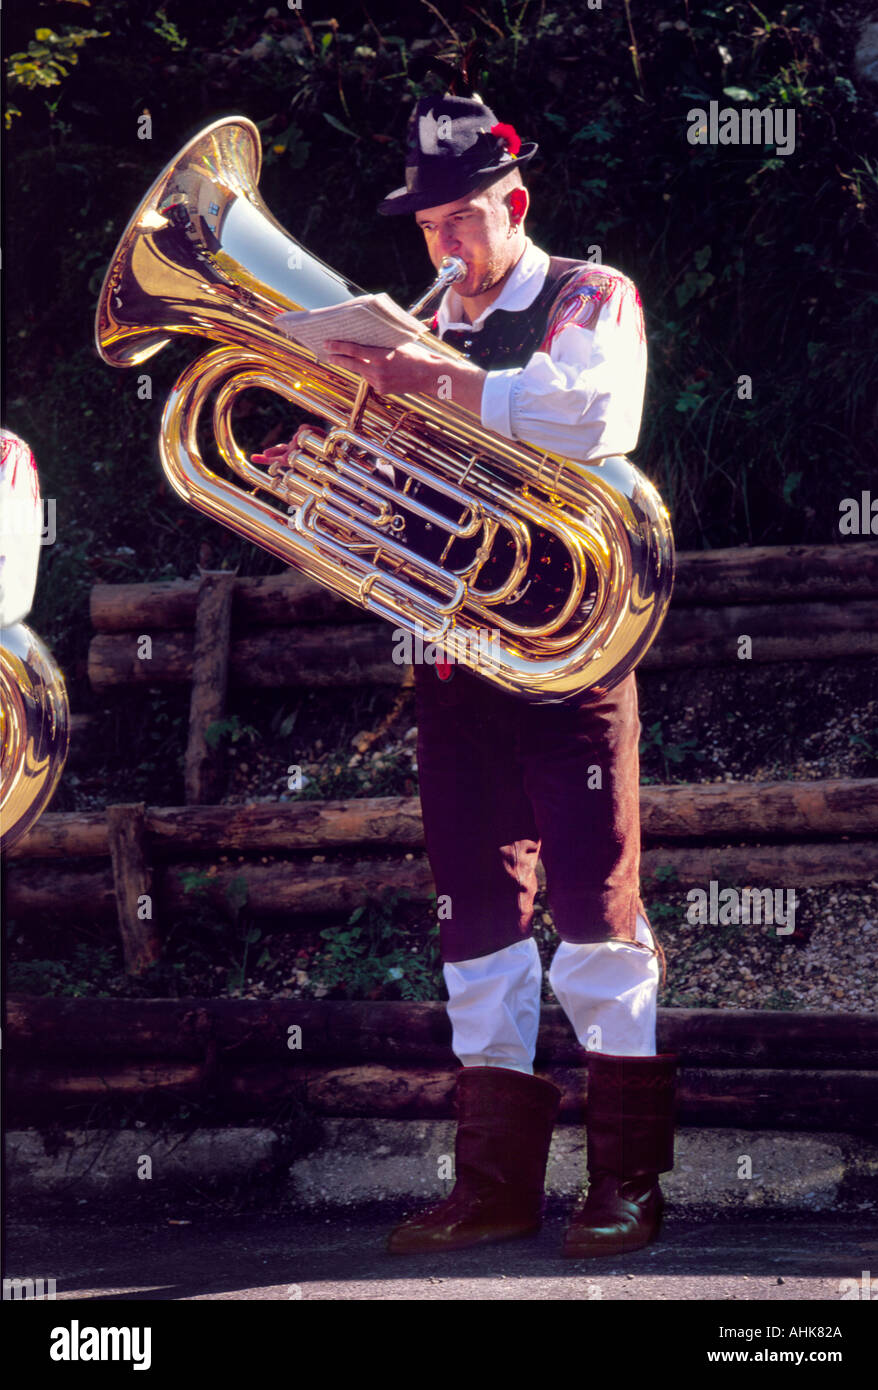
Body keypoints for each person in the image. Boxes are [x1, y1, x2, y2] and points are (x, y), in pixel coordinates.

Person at [255, 93, 678, 1258]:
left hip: (568, 648)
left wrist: (428, 385)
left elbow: (593, 413)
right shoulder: (428, 316)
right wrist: (327, 470)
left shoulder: (587, 295)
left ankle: (627, 1186)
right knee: (476, 920)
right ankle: (494, 1187)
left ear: (514, 204)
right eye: (429, 225)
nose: (445, 245)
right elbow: (402, 489)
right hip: (454, 660)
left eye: (462, 220)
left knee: (596, 910)